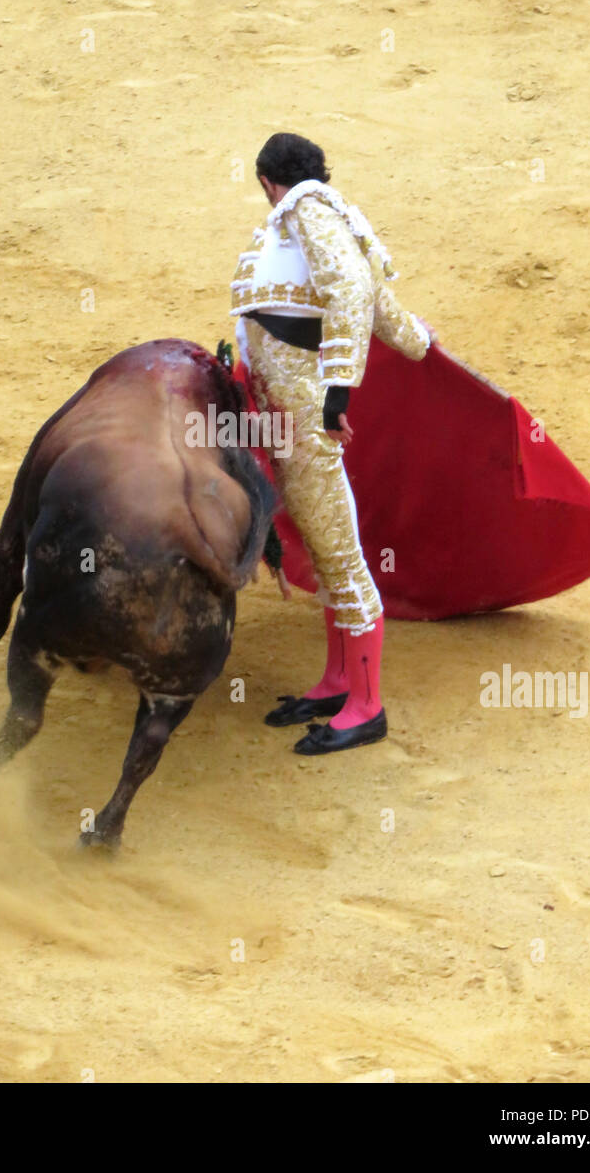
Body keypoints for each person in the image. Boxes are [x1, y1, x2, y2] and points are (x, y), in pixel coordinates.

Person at [230, 132, 431, 754]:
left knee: (339, 555)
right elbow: (370, 300)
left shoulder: (303, 212)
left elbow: (349, 291)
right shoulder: (318, 218)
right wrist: (421, 342)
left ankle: (367, 707)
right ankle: (339, 680)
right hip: (287, 416)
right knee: (323, 546)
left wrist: (339, 390)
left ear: (267, 181)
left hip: (307, 415)